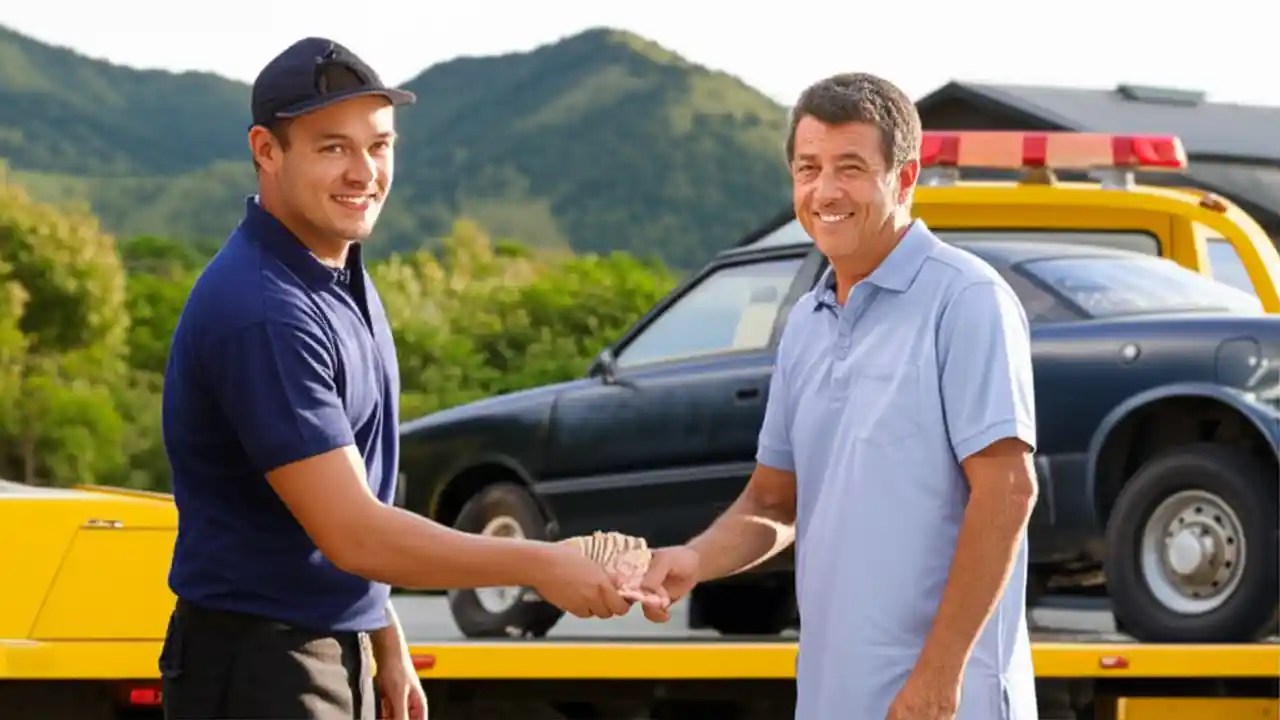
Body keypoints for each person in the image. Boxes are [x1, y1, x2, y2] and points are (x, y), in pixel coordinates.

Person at [158, 37, 634, 720]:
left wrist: (382, 631)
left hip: (324, 643)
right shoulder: (262, 311)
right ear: (266, 149)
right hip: (259, 664)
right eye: (332, 148)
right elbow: (355, 532)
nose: (364, 172)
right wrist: (542, 564)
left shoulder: (335, 270)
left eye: (379, 146)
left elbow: (355, 501)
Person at [639, 72, 1041, 720]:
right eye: (808, 168)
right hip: (832, 698)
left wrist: (939, 679)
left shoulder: (966, 301)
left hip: (944, 702)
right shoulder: (807, 320)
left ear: (904, 178)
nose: (824, 191)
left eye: (850, 168)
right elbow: (773, 502)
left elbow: (1008, 492)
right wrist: (692, 559)